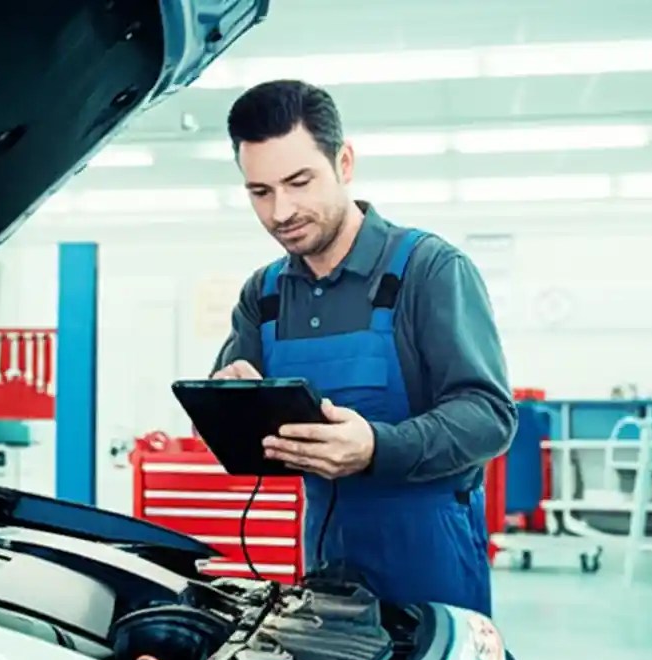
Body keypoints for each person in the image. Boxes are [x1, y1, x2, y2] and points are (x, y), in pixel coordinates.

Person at [210, 79, 518, 619]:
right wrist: (226, 404)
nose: (281, 211)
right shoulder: (264, 293)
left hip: (431, 563)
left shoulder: (430, 271)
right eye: (260, 192)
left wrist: (376, 447)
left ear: (344, 163)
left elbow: (489, 416)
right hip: (325, 563)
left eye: (299, 182)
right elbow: (242, 419)